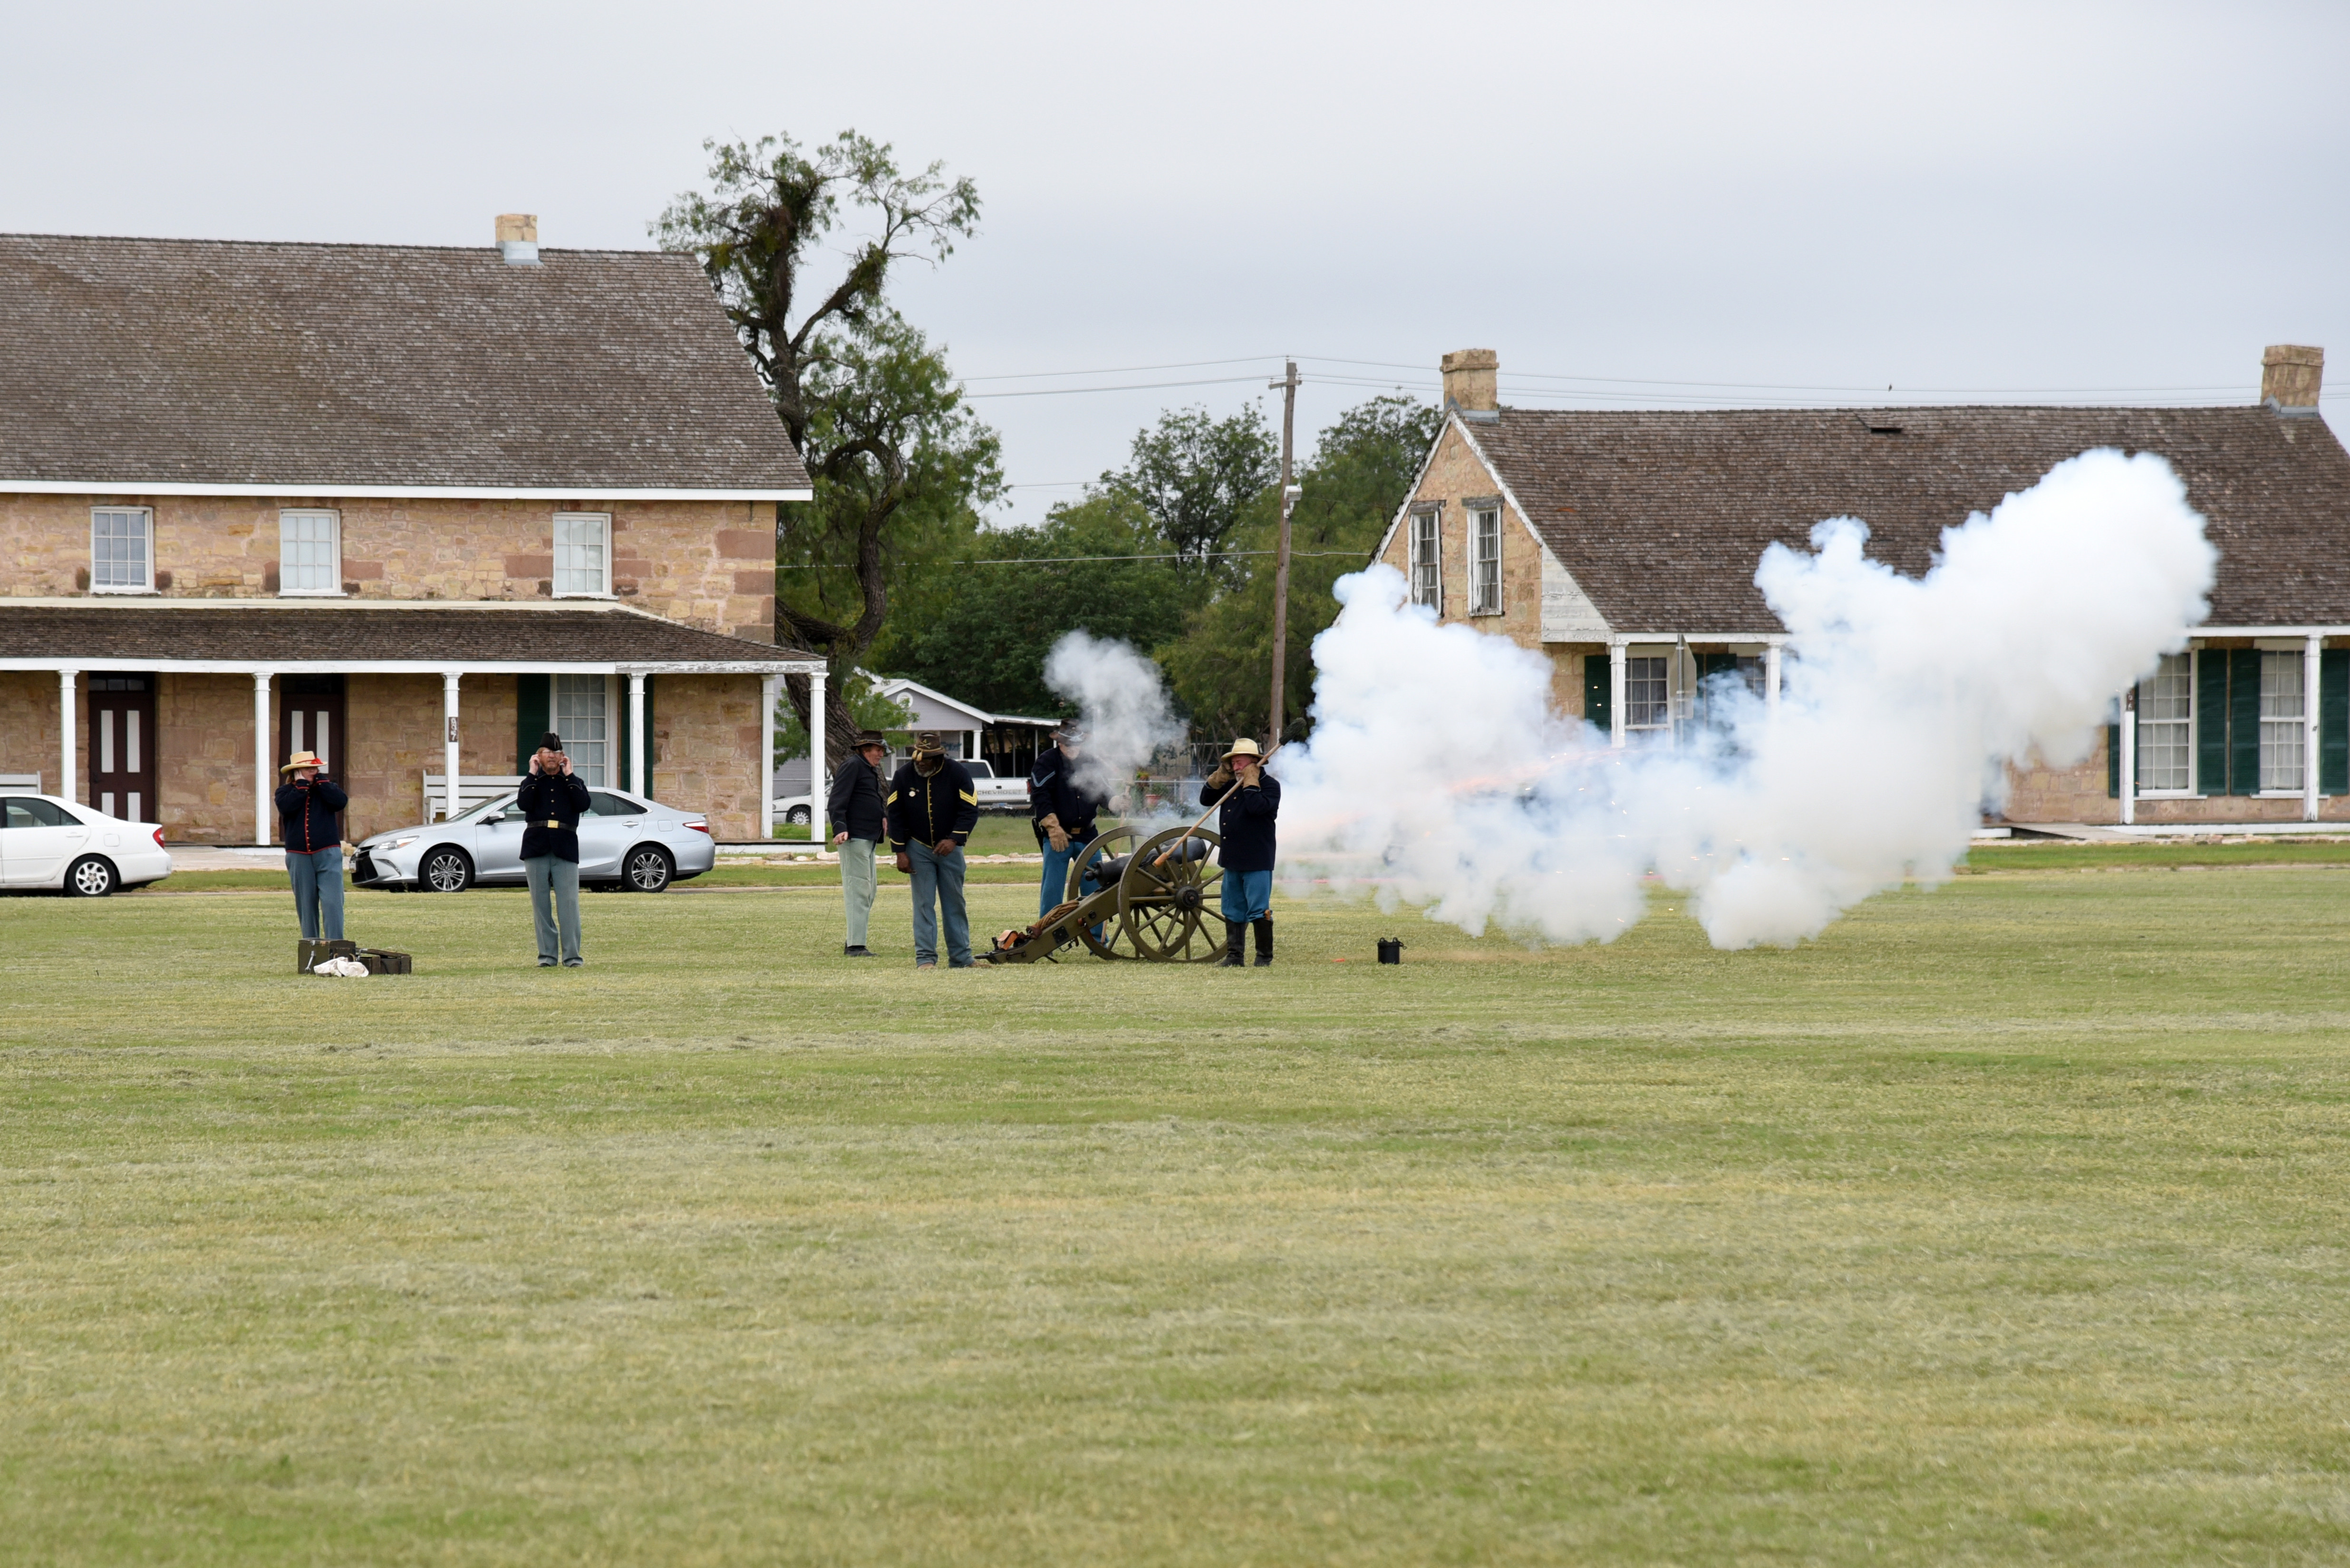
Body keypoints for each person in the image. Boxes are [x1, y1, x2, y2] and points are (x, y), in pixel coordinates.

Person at [887, 730, 978, 969]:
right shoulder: (903, 775)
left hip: (951, 849)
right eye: (918, 756)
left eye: (926, 758)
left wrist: (955, 840)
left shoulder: (958, 773)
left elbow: (970, 810)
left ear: (938, 757)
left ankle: (962, 959)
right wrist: (900, 852)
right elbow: (894, 814)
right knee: (924, 905)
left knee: (955, 904)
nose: (921, 762)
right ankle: (926, 959)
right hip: (917, 848)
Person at [1198, 736, 1281, 967]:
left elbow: (1256, 808)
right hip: (1232, 856)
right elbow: (1206, 800)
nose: (1236, 767)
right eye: (1233, 763)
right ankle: (1235, 957)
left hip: (1257, 857)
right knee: (1233, 909)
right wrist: (1217, 779)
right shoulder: (1229, 783)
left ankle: (1264, 958)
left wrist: (1252, 783)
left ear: (1255, 762)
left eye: (1240, 762)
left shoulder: (1271, 786)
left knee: (1258, 910)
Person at [515, 731, 592, 968]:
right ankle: (547, 957)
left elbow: (583, 805)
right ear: (539, 756)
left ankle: (572, 958)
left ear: (563, 757)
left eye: (557, 753)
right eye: (548, 752)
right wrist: (531, 773)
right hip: (536, 846)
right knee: (541, 906)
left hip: (565, 846)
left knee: (569, 904)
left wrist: (569, 775)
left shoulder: (573, 783)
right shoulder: (531, 783)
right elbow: (523, 804)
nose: (552, 757)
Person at [1029, 721, 1109, 915]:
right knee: (1053, 891)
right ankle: (1048, 934)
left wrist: (1116, 802)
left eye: (1077, 744)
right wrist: (1053, 828)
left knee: (1095, 890)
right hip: (1058, 834)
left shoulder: (1091, 762)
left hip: (1088, 835)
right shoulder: (1046, 761)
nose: (1073, 748)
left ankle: (1097, 939)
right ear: (1060, 743)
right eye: (1068, 744)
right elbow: (1041, 796)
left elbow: (1103, 792)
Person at [274, 749, 348, 943]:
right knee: (306, 906)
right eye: (308, 769)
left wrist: (322, 783)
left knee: (333, 903)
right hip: (299, 856)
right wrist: (302, 787)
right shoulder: (285, 792)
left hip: (328, 853)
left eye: (314, 768)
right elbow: (288, 807)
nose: (313, 772)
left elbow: (340, 802)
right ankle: (312, 948)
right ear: (297, 772)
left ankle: (336, 947)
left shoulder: (327, 788)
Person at [828, 729, 890, 958]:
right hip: (854, 838)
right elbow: (837, 800)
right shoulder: (853, 766)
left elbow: (870, 798)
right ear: (865, 749)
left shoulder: (868, 770)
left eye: (882, 750)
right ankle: (855, 947)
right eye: (878, 749)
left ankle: (854, 939)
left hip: (868, 838)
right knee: (858, 891)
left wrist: (882, 815)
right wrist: (840, 827)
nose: (881, 754)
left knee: (869, 891)